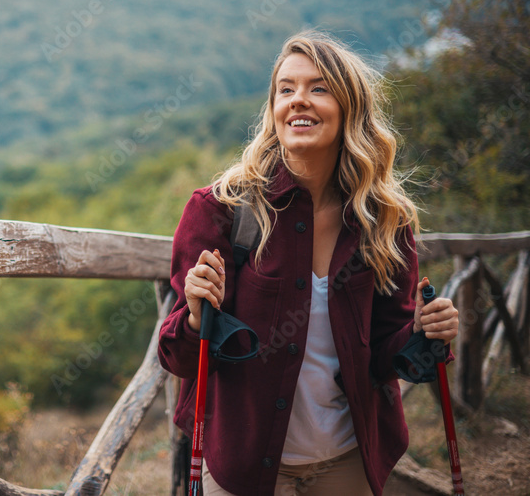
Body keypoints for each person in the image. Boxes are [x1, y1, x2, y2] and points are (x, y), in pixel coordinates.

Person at [157, 30, 459, 496]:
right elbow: (179, 357)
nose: (298, 100)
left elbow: (383, 351)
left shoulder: (384, 220)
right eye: (286, 89)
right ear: (273, 108)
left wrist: (423, 331)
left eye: (318, 88)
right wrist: (197, 316)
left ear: (349, 107)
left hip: (348, 459)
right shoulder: (221, 209)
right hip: (244, 464)